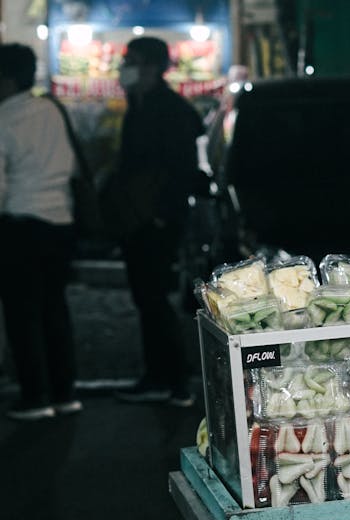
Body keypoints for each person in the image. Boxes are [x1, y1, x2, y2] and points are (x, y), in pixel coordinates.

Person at [108, 37, 204, 407]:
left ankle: (173, 380)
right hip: (140, 217)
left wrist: (164, 215)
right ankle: (160, 377)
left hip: (157, 219)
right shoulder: (142, 104)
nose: (126, 68)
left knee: (153, 297)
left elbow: (182, 170)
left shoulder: (169, 110)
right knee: (147, 297)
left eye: (132, 61)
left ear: (152, 66)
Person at [0, 44, 81, 420]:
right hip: (61, 222)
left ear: (8, 79)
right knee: (54, 309)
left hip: (21, 224)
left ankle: (35, 396)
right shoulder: (51, 109)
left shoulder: (4, 119)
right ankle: (64, 393)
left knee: (22, 312)